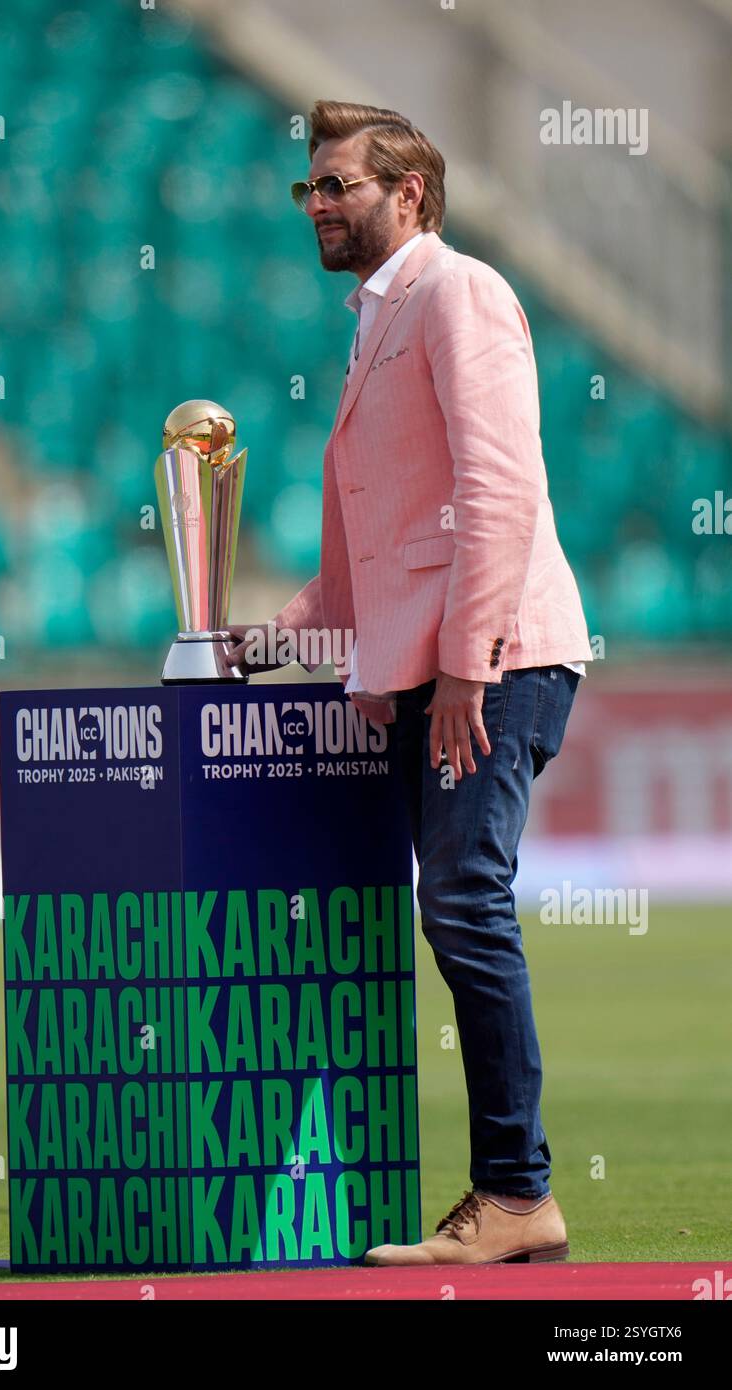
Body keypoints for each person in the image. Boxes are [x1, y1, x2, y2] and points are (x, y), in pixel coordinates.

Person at [227, 100, 592, 1265]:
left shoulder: (459, 294)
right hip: (441, 667)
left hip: (495, 662)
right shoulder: (378, 321)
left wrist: (461, 667)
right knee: (449, 907)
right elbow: (362, 567)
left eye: (337, 184)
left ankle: (516, 1192)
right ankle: (507, 1193)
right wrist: (254, 642)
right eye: (310, 189)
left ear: (410, 196)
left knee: (461, 903)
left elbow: (497, 495)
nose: (318, 204)